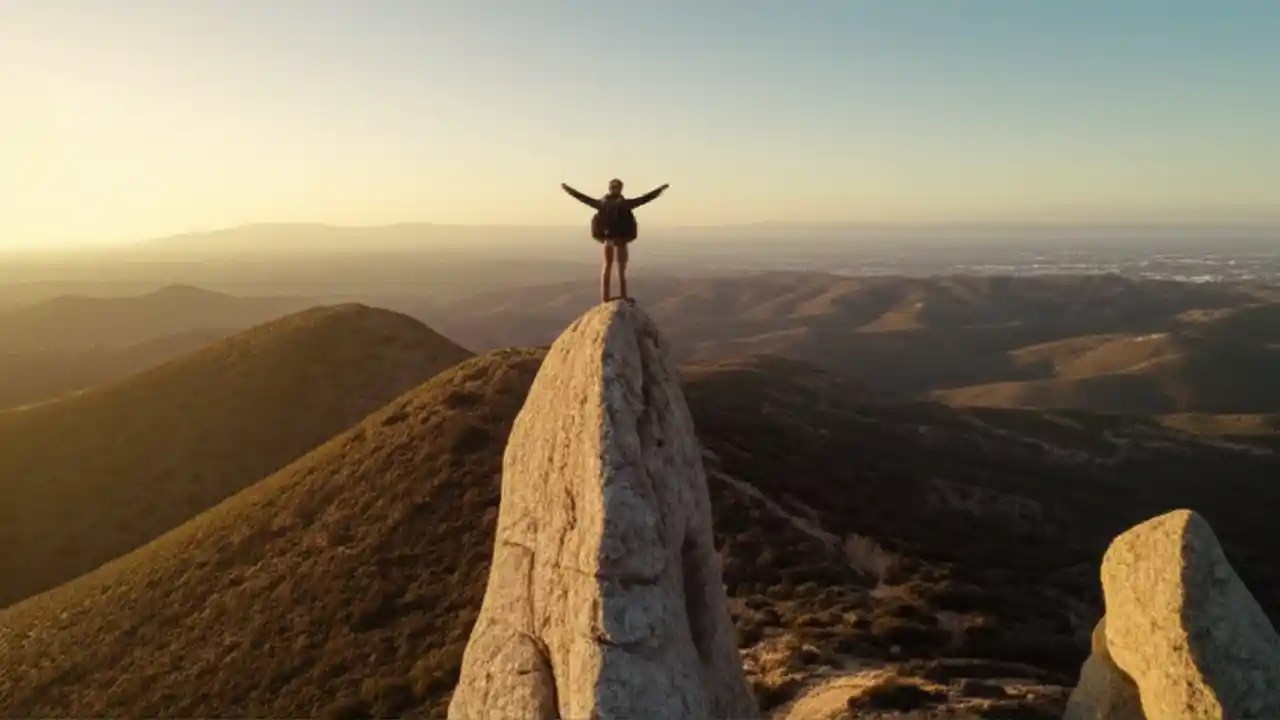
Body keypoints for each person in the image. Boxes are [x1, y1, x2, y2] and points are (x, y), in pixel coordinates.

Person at [561, 178, 670, 303]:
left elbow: (645, 198)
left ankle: (614, 297)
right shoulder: (619, 204)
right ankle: (611, 297)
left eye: (617, 187)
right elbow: (582, 197)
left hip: (615, 238)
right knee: (613, 267)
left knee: (617, 268)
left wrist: (660, 190)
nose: (617, 189)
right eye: (615, 187)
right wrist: (568, 189)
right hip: (616, 238)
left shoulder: (607, 203)